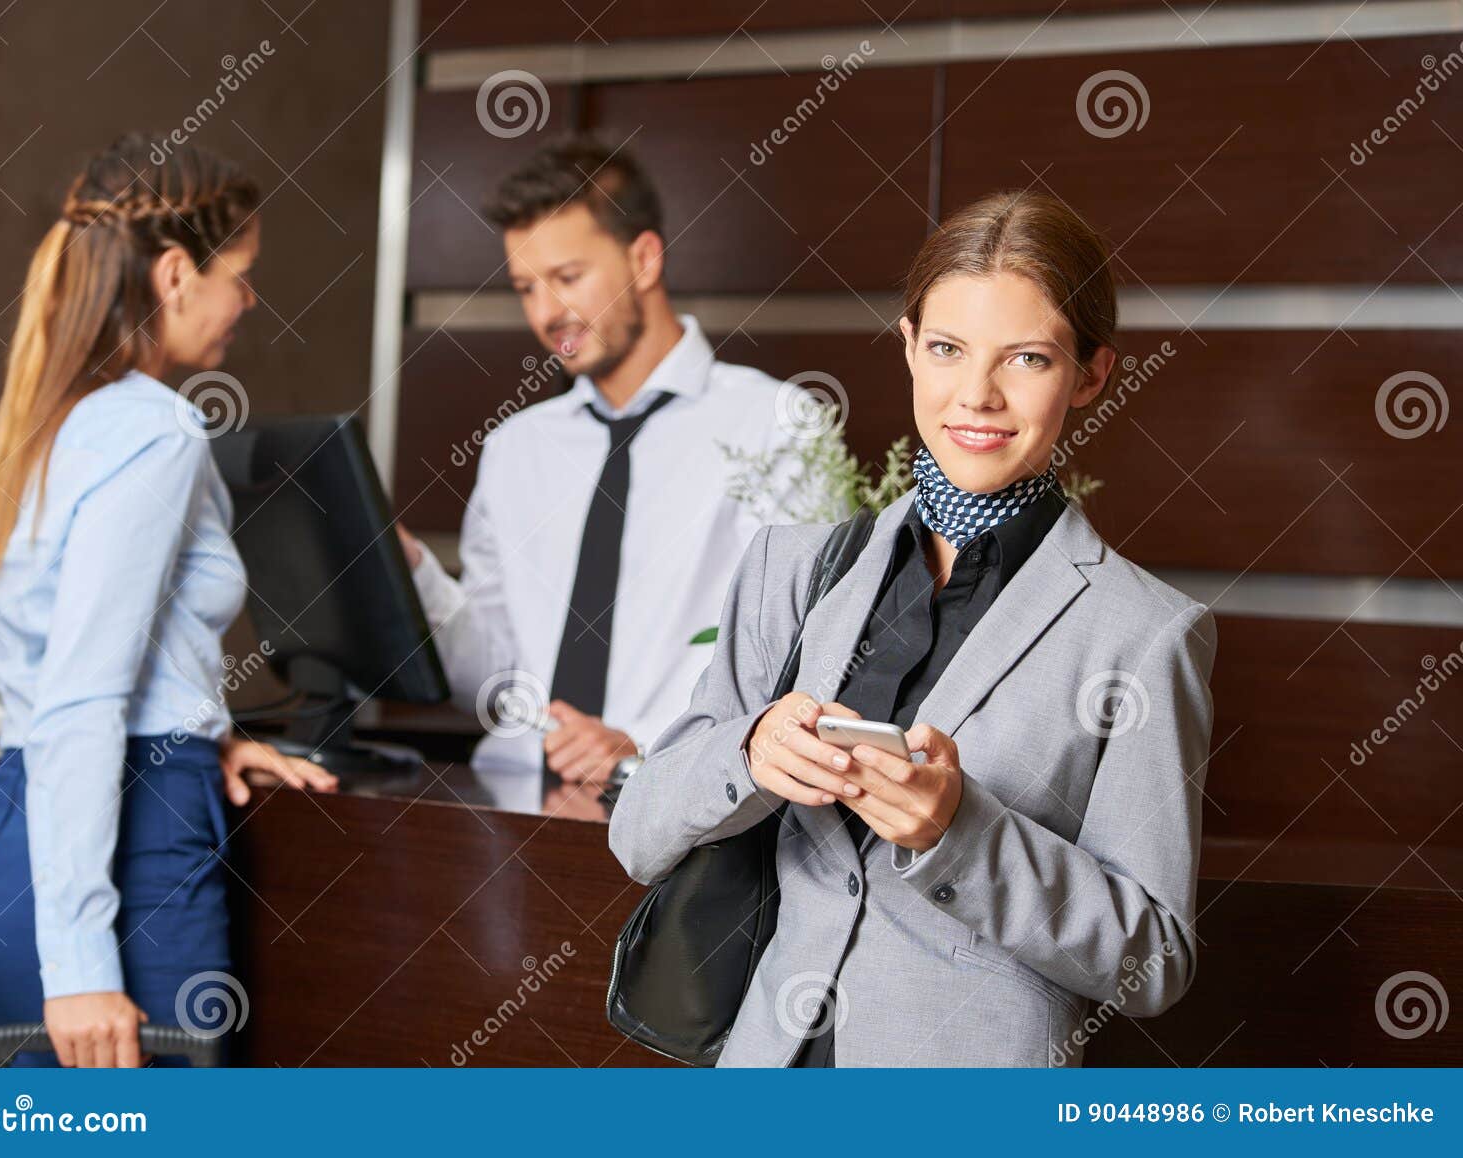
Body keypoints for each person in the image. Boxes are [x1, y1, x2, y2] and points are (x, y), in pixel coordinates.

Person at [608, 190, 1218, 1067]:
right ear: (908, 347)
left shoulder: (1146, 633)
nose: (977, 395)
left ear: (1090, 375)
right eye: (947, 349)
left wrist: (959, 833)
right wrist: (749, 753)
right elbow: (638, 833)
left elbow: (1152, 962)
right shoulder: (792, 568)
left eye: (1027, 359)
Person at [0, 133, 338, 1068]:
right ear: (172, 275)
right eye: (239, 274)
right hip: (126, 868)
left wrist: (206, 725)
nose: (247, 298)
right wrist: (79, 963)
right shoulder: (156, 431)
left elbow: (73, 660)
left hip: (5, 856)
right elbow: (84, 688)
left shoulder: (36, 426)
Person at [397, 137, 805, 781]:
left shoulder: (777, 425)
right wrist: (412, 572)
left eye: (568, 278)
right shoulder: (515, 448)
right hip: (510, 794)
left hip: (669, 806)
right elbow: (495, 674)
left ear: (643, 259)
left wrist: (640, 745)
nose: (547, 313)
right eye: (526, 287)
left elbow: (789, 653)